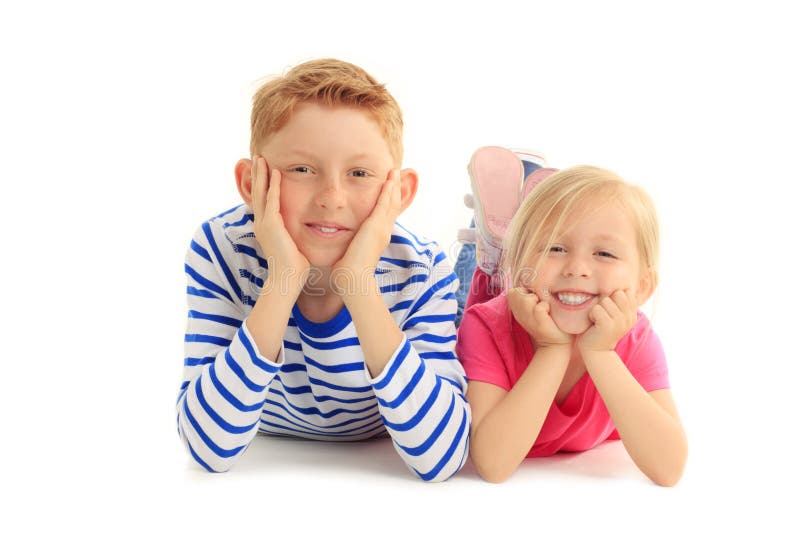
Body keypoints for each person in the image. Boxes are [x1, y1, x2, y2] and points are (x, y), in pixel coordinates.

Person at [177, 58, 470, 482]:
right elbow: (208, 448)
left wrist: (359, 285)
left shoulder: (422, 270)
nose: (332, 197)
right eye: (302, 170)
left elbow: (440, 460)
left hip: (427, 286)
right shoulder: (222, 249)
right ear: (250, 183)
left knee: (487, 294)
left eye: (359, 173)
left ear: (399, 192)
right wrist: (282, 279)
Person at [455, 147, 687, 485]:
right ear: (521, 268)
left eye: (604, 253)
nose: (577, 269)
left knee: (507, 279)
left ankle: (511, 236)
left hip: (523, 277)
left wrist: (600, 353)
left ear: (642, 286)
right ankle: (493, 253)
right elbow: (493, 463)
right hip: (487, 303)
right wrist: (552, 349)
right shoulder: (485, 327)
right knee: (460, 301)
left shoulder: (636, 338)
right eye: (555, 248)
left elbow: (669, 469)